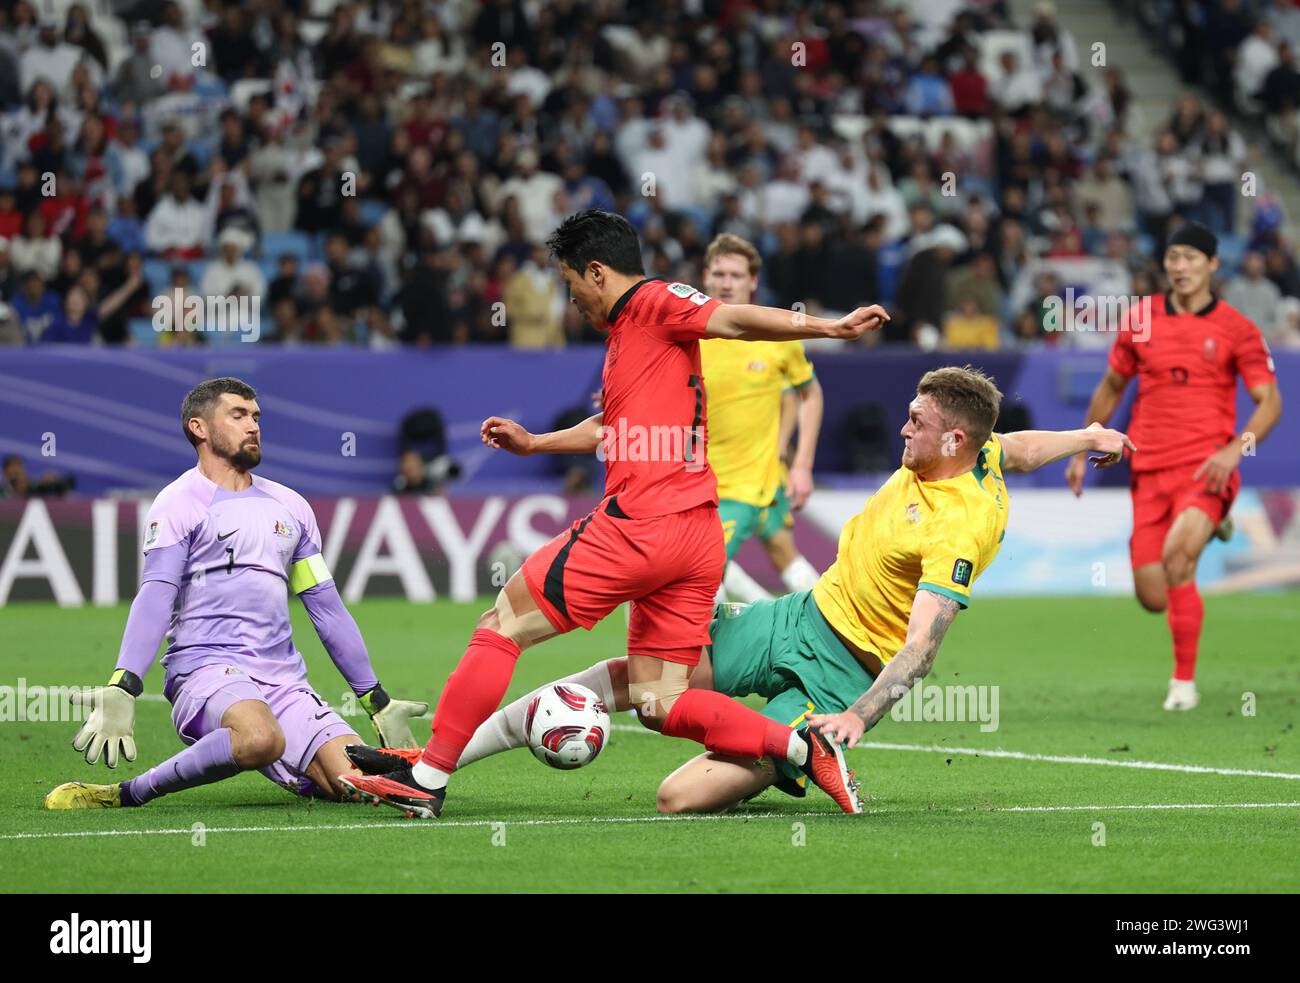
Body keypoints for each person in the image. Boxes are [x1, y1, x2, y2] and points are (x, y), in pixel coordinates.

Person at [347, 368, 1135, 813]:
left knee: (675, 797)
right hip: (799, 615)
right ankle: (436, 762)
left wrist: (856, 717)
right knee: (633, 682)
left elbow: (924, 646)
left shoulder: (959, 522)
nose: (903, 428)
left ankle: (808, 745)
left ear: (951, 441)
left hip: (843, 673)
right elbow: (1019, 448)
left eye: (916, 421)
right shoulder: (977, 453)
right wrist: (1092, 435)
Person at [339, 208, 889, 818]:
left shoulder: (654, 302)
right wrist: (537, 443)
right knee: (660, 699)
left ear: (597, 272)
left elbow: (730, 318)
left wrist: (829, 328)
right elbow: (613, 426)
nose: (570, 298)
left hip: (642, 525)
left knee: (504, 624)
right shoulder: (636, 337)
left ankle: (429, 777)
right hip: (696, 536)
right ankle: (801, 745)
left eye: (571, 281)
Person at [44, 378, 429, 810]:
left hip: (283, 678)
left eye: (256, 416)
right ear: (200, 428)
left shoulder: (291, 507)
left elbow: (325, 607)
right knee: (260, 738)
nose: (253, 426)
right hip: (206, 668)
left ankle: (303, 773)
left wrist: (376, 699)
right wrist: (125, 683)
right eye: (238, 415)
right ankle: (128, 793)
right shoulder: (179, 503)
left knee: (360, 784)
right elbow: (157, 592)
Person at [1066, 223, 1283, 710]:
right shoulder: (1140, 320)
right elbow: (1111, 386)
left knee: (1179, 558)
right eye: (1172, 256)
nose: (1179, 266)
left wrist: (1234, 450)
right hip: (1148, 469)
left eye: (1189, 257)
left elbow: (1269, 401)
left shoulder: (1237, 329)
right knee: (1153, 595)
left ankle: (1183, 683)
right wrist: (1081, 448)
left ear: (1212, 264)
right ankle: (1214, 527)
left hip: (1207, 467)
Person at [696, 233, 824, 604]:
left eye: (736, 275)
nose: (726, 282)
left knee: (702, 576)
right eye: (719, 273)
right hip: (702, 477)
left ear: (753, 282)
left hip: (750, 482)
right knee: (782, 551)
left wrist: (801, 464)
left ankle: (713, 657)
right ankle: (837, 635)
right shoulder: (689, 333)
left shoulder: (776, 333)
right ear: (705, 276)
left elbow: (808, 394)